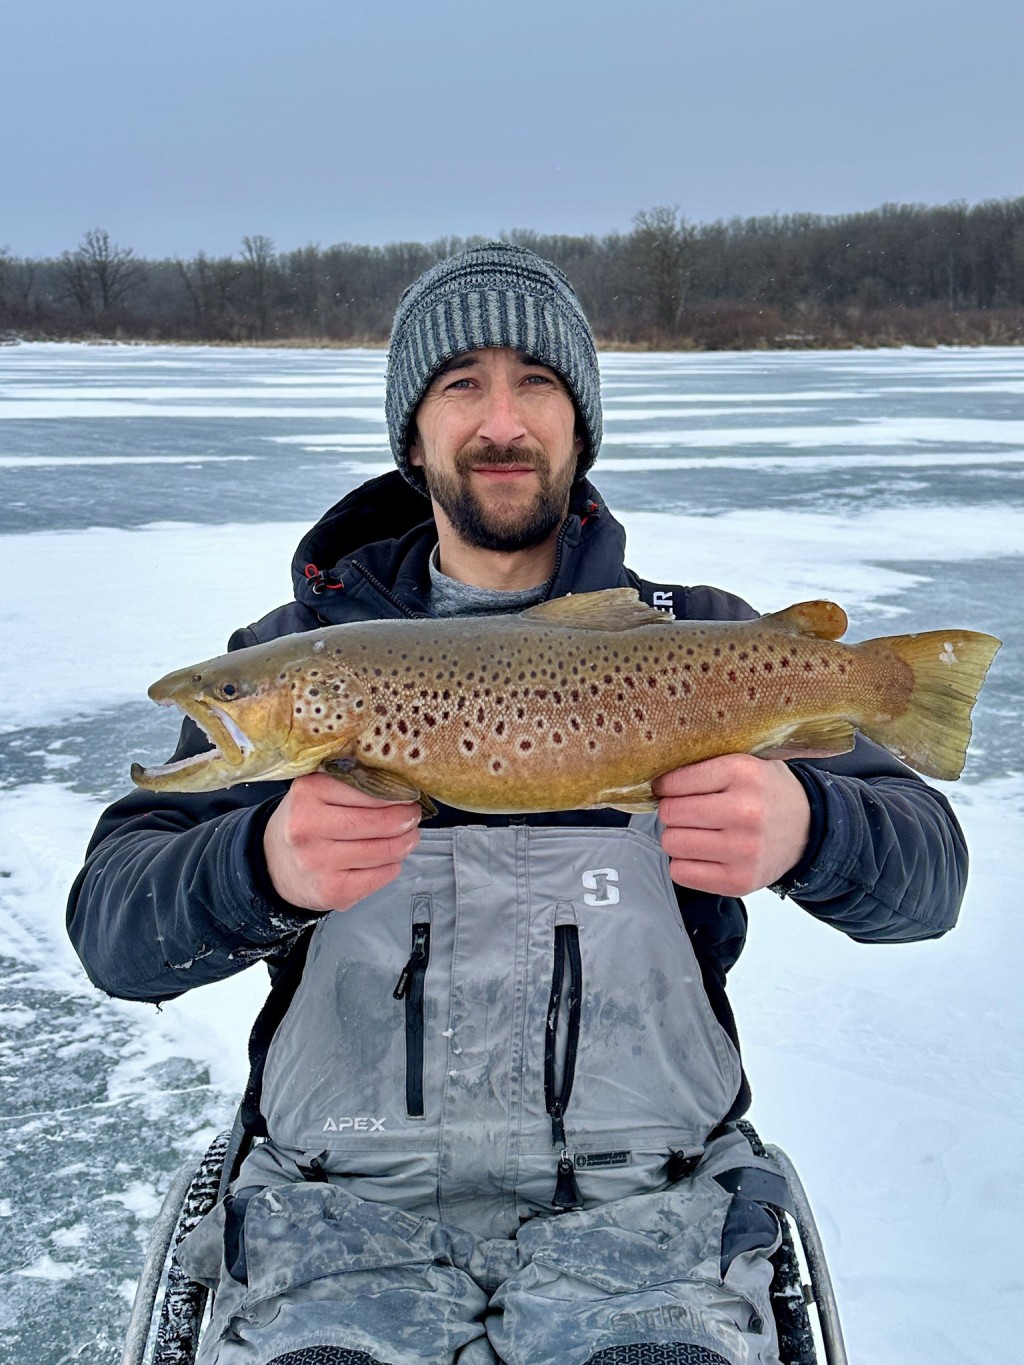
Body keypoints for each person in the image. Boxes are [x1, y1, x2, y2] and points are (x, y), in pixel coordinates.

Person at [68, 244, 967, 1365]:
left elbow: (930, 884)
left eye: (536, 381)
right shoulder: (294, 654)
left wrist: (811, 829)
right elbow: (113, 934)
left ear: (580, 423)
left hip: (654, 1227)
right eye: (461, 385)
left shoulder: (709, 642)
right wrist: (258, 864)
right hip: (335, 1223)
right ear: (412, 434)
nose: (502, 421)